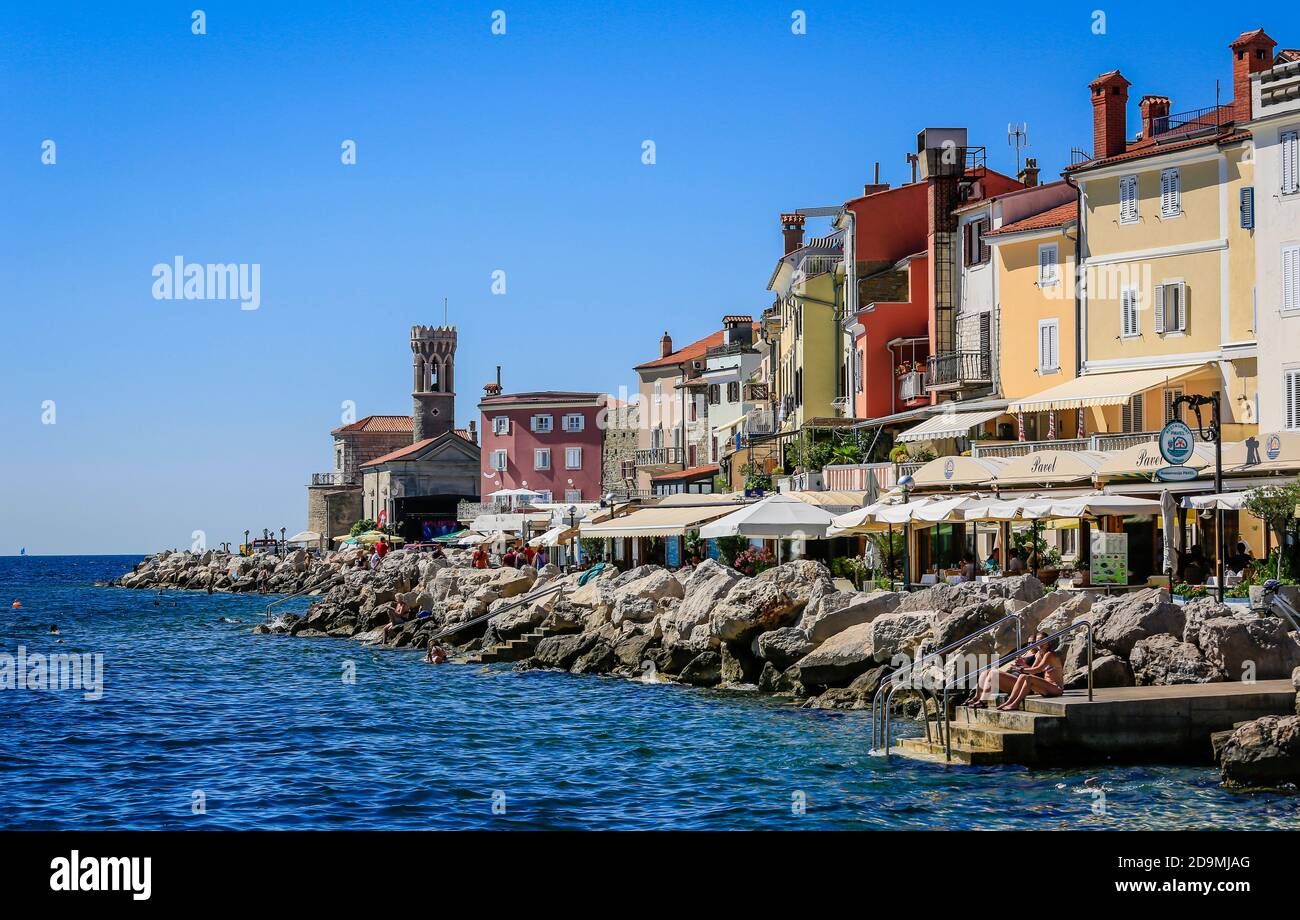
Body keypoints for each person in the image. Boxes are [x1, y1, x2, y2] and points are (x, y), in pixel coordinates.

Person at [996, 633, 1065, 711]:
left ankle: (1016, 703)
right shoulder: (1039, 654)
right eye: (1037, 641)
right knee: (1022, 676)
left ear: (1048, 642)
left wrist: (1020, 669)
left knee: (1028, 678)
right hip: (1046, 689)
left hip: (1056, 689)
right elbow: (1033, 671)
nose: (1039, 643)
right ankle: (1009, 702)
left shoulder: (1049, 654)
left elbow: (1038, 669)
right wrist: (1022, 665)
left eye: (1042, 640)